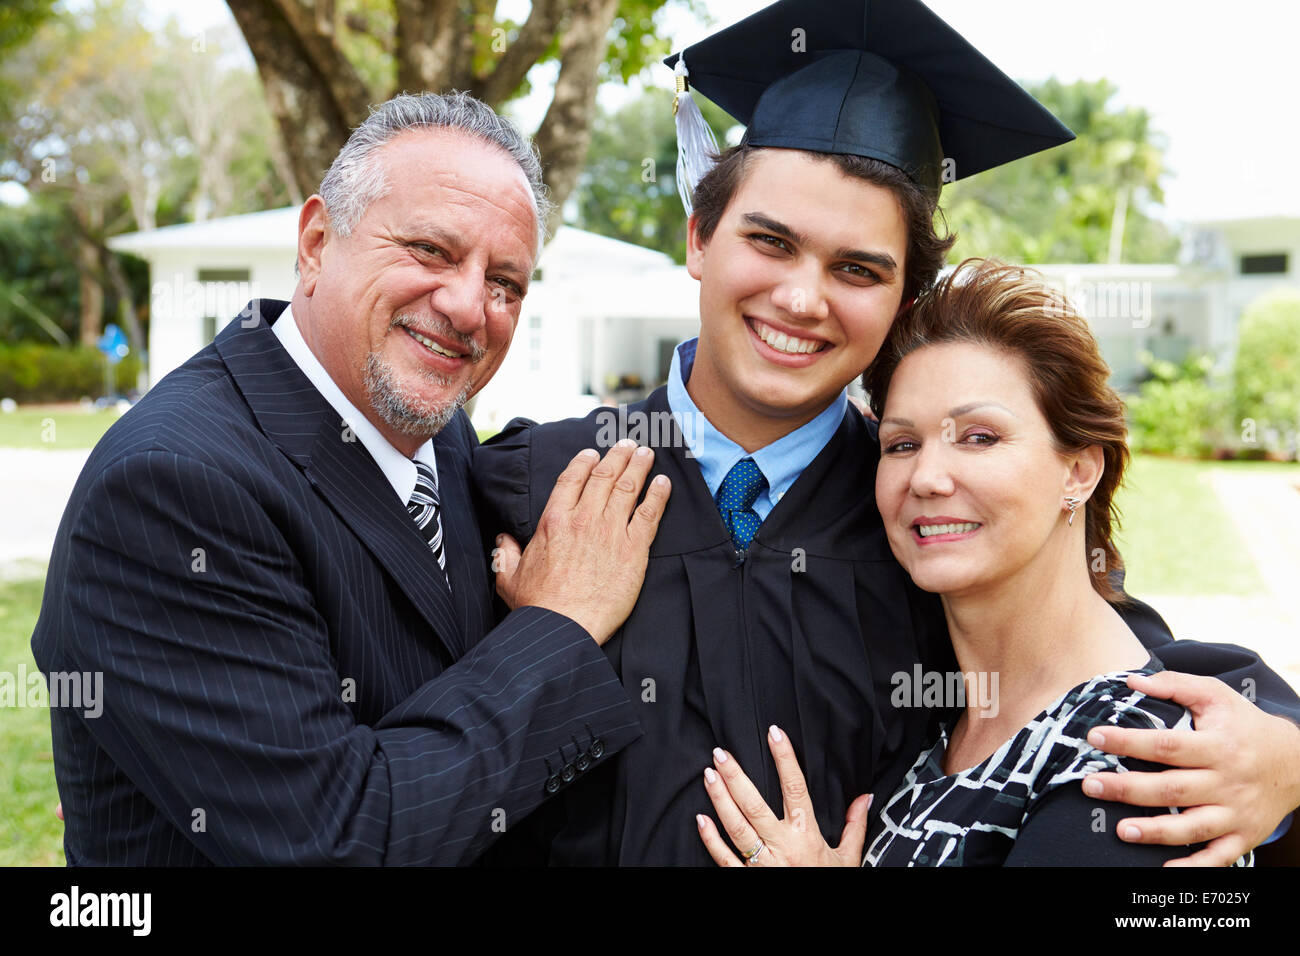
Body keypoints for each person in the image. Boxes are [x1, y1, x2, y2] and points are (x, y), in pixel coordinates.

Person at [473, 0, 1300, 867]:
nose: (801, 298)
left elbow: (1107, 654)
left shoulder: (926, 522)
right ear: (699, 237)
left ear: (902, 302)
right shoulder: (539, 483)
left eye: (857, 269)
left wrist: (1283, 748)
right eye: (771, 242)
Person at [30, 92, 673, 865]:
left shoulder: (438, 426)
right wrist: (559, 628)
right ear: (315, 241)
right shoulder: (170, 488)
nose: (471, 306)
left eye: (506, 282)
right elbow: (337, 841)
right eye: (431, 251)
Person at [695, 259, 1290, 866]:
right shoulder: (940, 702)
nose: (926, 477)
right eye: (901, 444)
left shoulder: (1134, 759)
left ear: (1079, 471)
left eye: (980, 437)